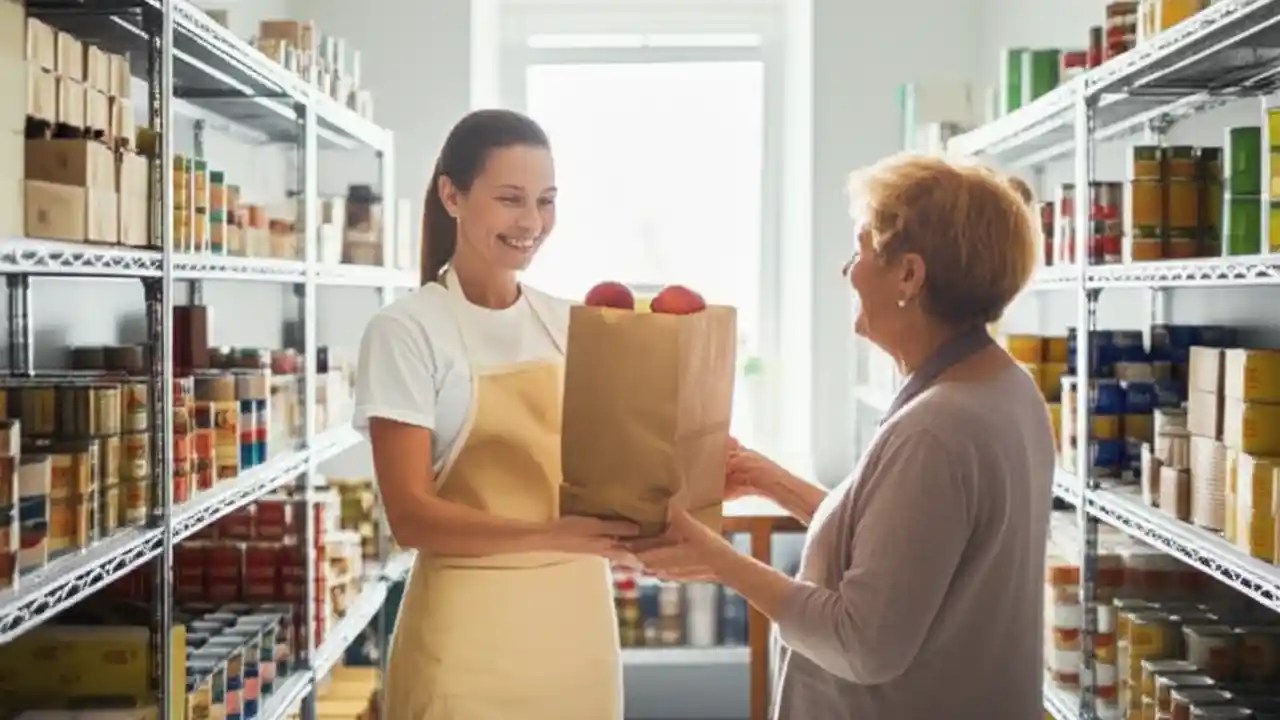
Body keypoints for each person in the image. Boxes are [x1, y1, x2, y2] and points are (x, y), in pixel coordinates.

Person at [635, 153, 1055, 719]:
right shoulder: (1002, 385)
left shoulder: (937, 429)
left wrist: (722, 562)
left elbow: (861, 644)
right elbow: (904, 547)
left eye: (860, 250)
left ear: (909, 275)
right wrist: (772, 481)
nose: (848, 272)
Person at [353, 109, 639, 719]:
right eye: (510, 199)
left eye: (546, 200)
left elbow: (614, 468)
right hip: (468, 641)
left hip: (579, 635)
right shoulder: (407, 332)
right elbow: (410, 518)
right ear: (451, 195)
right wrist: (548, 535)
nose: (532, 222)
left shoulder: (567, 324)